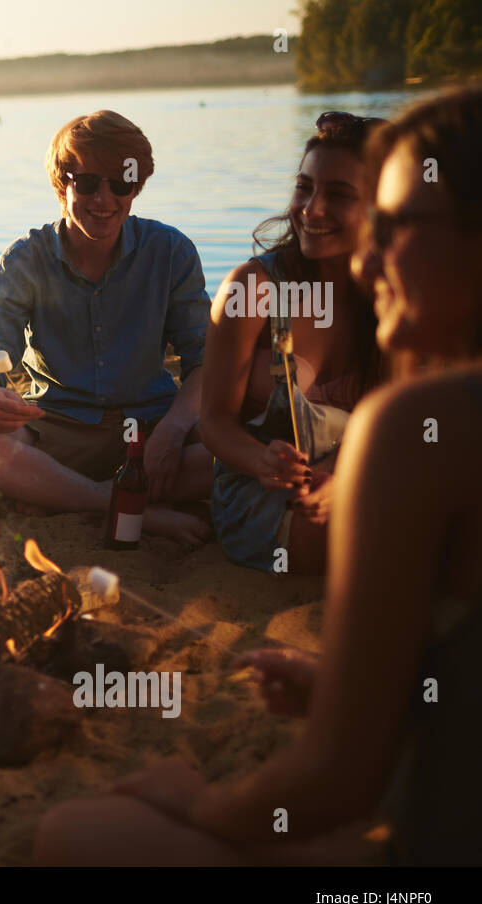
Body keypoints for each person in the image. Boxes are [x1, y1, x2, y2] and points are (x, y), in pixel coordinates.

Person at [33, 86, 482, 866]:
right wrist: (384, 692)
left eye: (394, 222)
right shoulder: (270, 294)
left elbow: (336, 780)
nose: (368, 251)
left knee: (72, 834)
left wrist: (199, 801)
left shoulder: (420, 430)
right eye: (308, 190)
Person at [0, 110, 212, 543]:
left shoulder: (171, 251)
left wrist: (173, 431)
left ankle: (61, 493)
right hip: (56, 429)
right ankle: (119, 502)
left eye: (121, 184)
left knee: (238, 444)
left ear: (136, 189)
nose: (104, 199)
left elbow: (203, 360)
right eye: (87, 183)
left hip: (152, 430)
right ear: (62, 185)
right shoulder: (26, 258)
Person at [201, 115, 385, 575]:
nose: (311, 209)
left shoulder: (392, 295)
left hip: (365, 474)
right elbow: (214, 422)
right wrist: (260, 459)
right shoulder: (254, 288)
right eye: (304, 187)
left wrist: (343, 476)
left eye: (339, 195)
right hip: (265, 494)